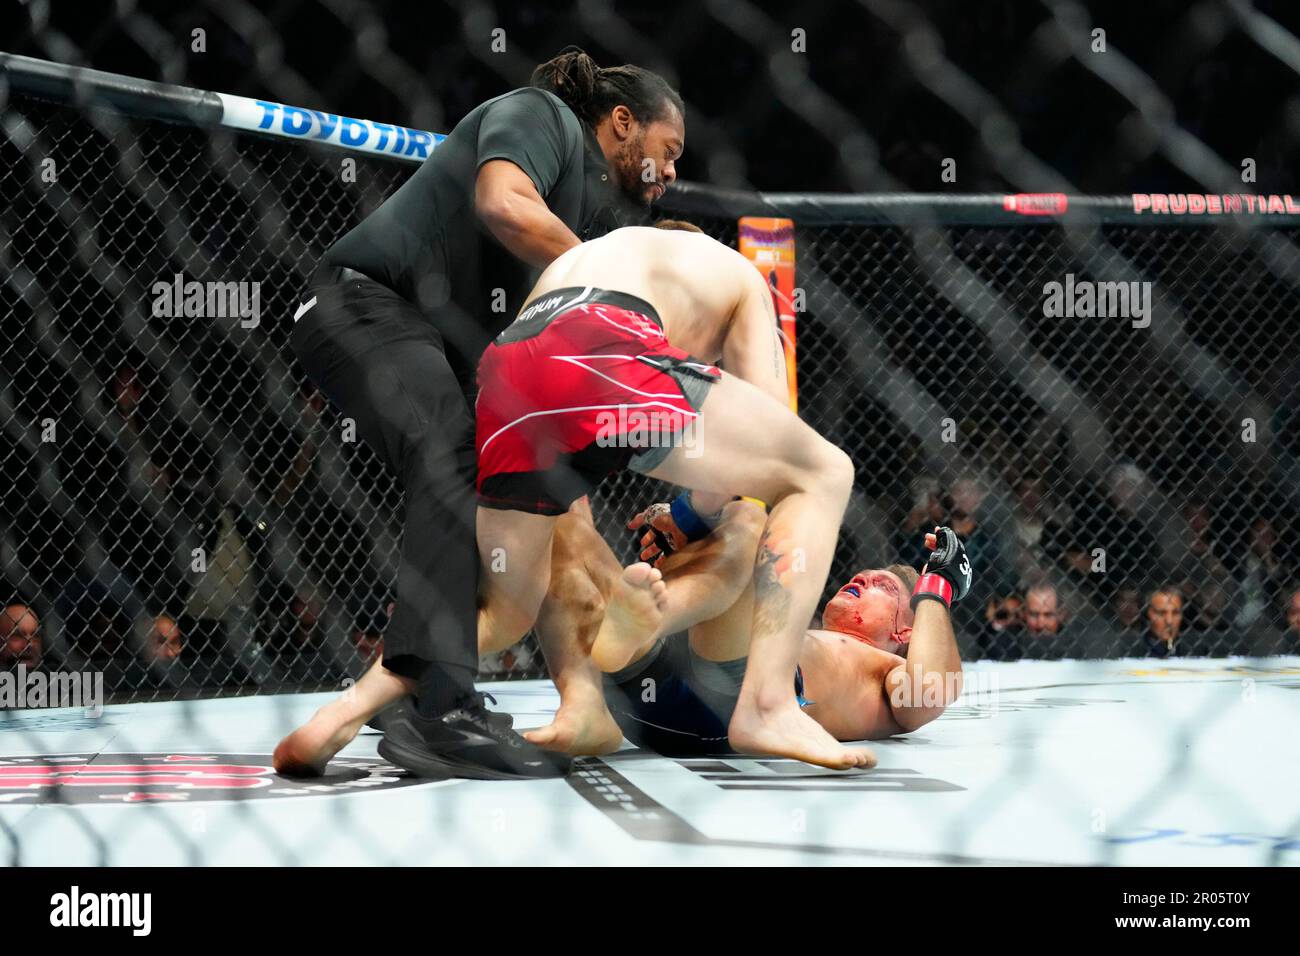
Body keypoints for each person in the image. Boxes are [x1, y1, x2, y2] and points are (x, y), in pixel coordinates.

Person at [378, 222, 924, 773]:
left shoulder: (576, 272)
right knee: (791, 488)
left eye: (882, 588)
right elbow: (770, 448)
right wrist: (699, 513)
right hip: (671, 683)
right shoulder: (731, 282)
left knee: (563, 525)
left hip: (510, 374)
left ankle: (372, 697)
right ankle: (746, 696)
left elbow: (925, 693)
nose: (862, 582)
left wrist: (689, 516)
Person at [280, 50, 685, 780]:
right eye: (669, 150)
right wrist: (613, 287)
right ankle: (438, 707)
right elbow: (500, 200)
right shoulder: (545, 118)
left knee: (507, 478)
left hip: (422, 338)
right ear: (622, 123)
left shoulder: (579, 215)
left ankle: (427, 696)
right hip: (360, 302)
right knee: (449, 452)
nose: (673, 171)